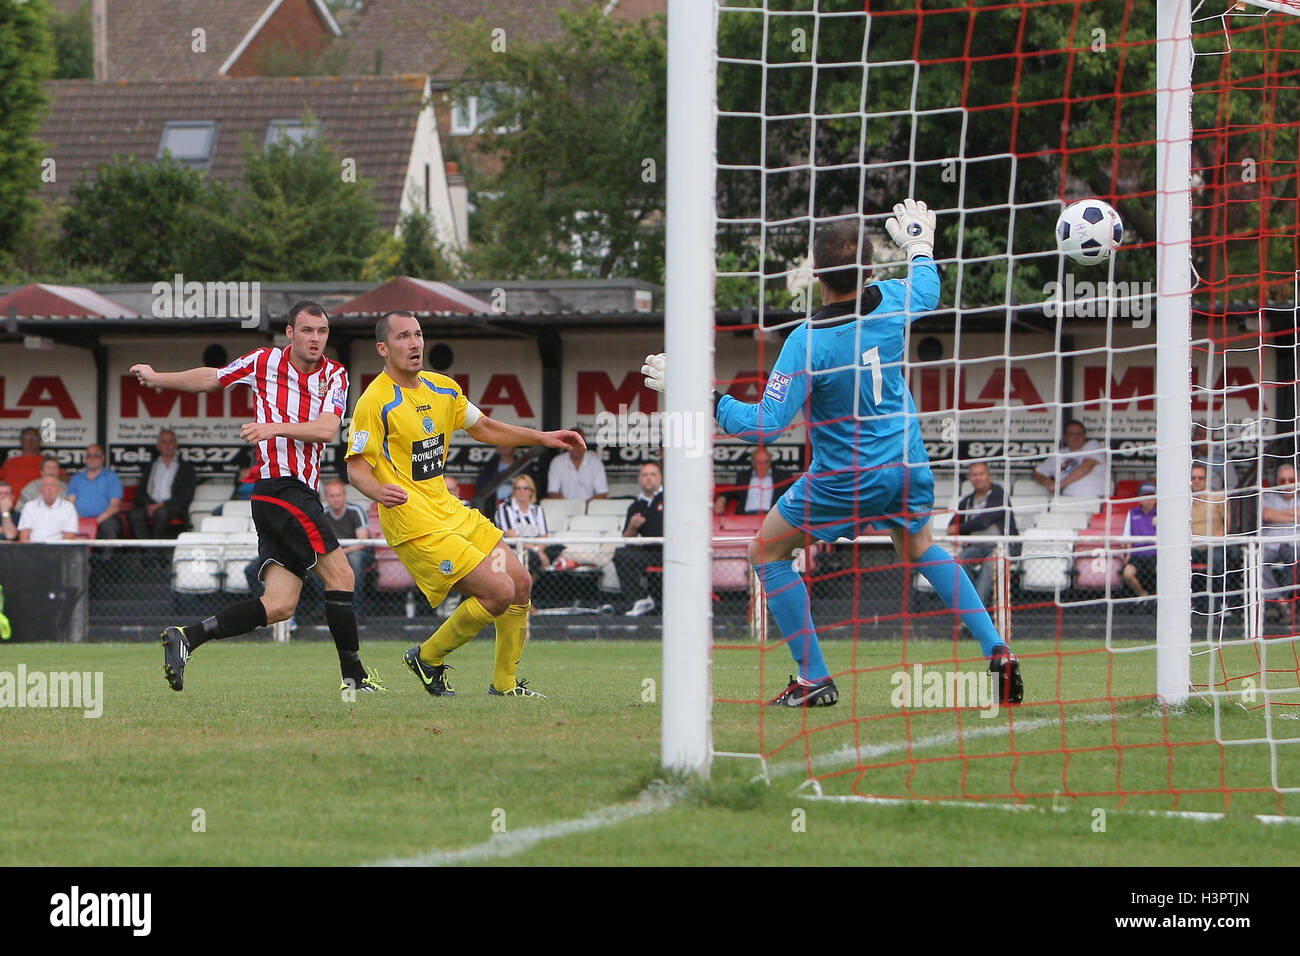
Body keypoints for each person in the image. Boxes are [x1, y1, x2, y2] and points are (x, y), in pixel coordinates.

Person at [644, 201, 1022, 707]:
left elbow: (765, 426)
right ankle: (996, 648)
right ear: (868, 268)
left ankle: (813, 676)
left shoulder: (806, 341)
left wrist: (700, 393)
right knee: (920, 548)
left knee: (766, 553)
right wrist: (919, 244)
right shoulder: (891, 300)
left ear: (815, 271)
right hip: (907, 466)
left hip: (844, 478)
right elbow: (928, 288)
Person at [130, 300, 382, 694]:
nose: (315, 339)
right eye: (307, 331)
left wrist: (273, 427)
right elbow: (212, 378)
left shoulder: (335, 374)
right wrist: (159, 377)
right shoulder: (264, 361)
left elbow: (326, 430)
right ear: (290, 333)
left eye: (322, 331)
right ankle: (356, 679)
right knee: (342, 575)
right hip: (280, 489)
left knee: (280, 604)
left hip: (294, 495)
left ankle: (187, 638)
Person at [346, 310, 585, 699]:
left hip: (449, 510)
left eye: (418, 334)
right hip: (414, 523)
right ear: (383, 348)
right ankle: (427, 657)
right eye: (403, 336)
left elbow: (485, 427)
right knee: (498, 592)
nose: (415, 343)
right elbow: (356, 469)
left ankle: (504, 686)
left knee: (520, 583)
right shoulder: (374, 402)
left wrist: (543, 437)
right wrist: (377, 491)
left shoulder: (442, 389)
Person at [950, 461, 1018, 607]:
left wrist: (959, 527)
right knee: (958, 563)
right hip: (977, 546)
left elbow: (983, 521)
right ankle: (977, 604)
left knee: (989, 566)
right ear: (970, 478)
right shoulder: (967, 501)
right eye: (974, 475)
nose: (978, 478)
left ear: (988, 476)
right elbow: (952, 525)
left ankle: (975, 612)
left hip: (1001, 545)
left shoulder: (999, 495)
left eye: (981, 474)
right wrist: (957, 527)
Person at [615, 461, 665, 616]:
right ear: (639, 479)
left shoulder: (672, 498)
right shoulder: (636, 505)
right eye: (645, 475)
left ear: (660, 478)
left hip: (671, 550)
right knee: (621, 555)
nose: (649, 478)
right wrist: (633, 526)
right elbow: (627, 540)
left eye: (653, 474)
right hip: (648, 552)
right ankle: (641, 600)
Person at [127, 429, 196, 538]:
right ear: (158, 446)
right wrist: (148, 505)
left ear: (176, 445)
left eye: (170, 441)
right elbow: (139, 494)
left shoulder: (185, 468)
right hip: (151, 504)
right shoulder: (150, 467)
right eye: (163, 442)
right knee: (135, 515)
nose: (167, 445)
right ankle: (148, 549)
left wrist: (161, 505)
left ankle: (156, 550)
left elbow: (187, 497)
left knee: (161, 513)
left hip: (173, 507)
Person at [321, 478, 373, 615]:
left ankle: (356, 607)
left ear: (344, 495)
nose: (336, 499)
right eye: (332, 496)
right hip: (333, 554)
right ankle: (325, 607)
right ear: (326, 497)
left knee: (355, 559)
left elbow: (363, 541)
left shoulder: (355, 511)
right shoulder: (323, 515)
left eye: (338, 495)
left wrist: (342, 552)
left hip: (356, 553)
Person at [1258, 462, 1300, 620]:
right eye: (1283, 480)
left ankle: (1283, 603)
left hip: (1294, 543)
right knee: (1258, 561)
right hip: (1271, 543)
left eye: (1291, 479)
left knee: (1295, 559)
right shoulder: (1268, 497)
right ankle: (1282, 602)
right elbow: (1267, 515)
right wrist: (1294, 514)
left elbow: (1273, 515)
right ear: (1277, 482)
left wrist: (1280, 514)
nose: (1288, 484)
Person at [494, 474, 552, 582]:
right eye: (518, 488)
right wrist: (537, 551)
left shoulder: (536, 509)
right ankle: (526, 591)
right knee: (533, 558)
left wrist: (540, 550)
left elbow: (544, 534)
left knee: (557, 550)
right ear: (514, 491)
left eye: (525, 488)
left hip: (536, 548)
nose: (522, 491)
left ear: (531, 491)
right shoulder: (505, 508)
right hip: (515, 548)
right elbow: (512, 536)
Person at [1032, 420, 1109, 499]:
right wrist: (1049, 483)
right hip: (1067, 499)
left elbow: (1085, 468)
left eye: (1080, 434)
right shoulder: (1058, 455)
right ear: (1065, 436)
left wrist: (1059, 485)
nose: (1076, 437)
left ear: (1084, 435)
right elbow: (1036, 473)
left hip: (1096, 498)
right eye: (1072, 434)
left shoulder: (1093, 445)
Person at [1191, 463, 1230, 615]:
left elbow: (1227, 526)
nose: (1196, 481)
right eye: (1193, 478)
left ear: (1206, 479)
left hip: (1214, 545)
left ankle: (1222, 602)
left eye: (1200, 478)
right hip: (1191, 546)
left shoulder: (1218, 497)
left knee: (1219, 559)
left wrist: (1218, 538)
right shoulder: (1182, 500)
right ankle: (1187, 603)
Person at [713, 445, 795, 515]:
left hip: (771, 518)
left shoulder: (782, 476)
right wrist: (722, 499)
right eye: (758, 462)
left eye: (765, 462)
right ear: (752, 462)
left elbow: (794, 493)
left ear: (770, 462)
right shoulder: (744, 476)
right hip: (745, 518)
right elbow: (731, 491)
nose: (762, 466)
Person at [66, 445, 124, 539]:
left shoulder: (111, 477)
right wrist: (78, 519)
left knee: (110, 527)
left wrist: (95, 522)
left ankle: (107, 555)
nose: (91, 458)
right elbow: (70, 502)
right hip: (79, 518)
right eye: (89, 456)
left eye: (95, 455)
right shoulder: (77, 478)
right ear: (85, 459)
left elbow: (115, 506)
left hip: (105, 519)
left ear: (102, 458)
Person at [545, 425, 607, 502]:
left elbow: (602, 493)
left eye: (580, 442)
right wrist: (569, 506)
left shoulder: (595, 463)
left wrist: (584, 507)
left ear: (585, 444)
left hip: (590, 510)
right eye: (573, 442)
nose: (576, 446)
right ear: (566, 444)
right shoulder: (557, 462)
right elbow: (552, 492)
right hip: (564, 509)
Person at [1120, 481, 1158, 605]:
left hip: (1155, 555)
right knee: (1128, 574)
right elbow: (1128, 536)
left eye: (1152, 497)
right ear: (1140, 498)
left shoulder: (1162, 514)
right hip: (1137, 555)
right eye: (1146, 497)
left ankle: (1159, 597)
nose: (1149, 501)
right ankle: (1143, 595)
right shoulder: (1132, 513)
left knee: (1163, 572)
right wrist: (1128, 556)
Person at [475, 445, 538, 515]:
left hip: (518, 504)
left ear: (514, 447)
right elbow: (481, 486)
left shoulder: (523, 466)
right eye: (500, 443)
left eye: (507, 443)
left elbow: (531, 486)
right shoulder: (490, 465)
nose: (504, 445)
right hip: (493, 507)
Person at [17, 475, 79, 542]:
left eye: (52, 485)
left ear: (58, 489)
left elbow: (69, 537)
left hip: (58, 549)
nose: (49, 488)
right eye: (46, 485)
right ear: (40, 489)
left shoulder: (68, 507)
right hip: (33, 548)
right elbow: (24, 536)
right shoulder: (29, 506)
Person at [1192, 421, 1238, 493]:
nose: (1204, 439)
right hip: (1189, 498)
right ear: (1194, 438)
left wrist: (1217, 497)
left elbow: (1232, 484)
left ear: (1212, 438)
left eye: (1207, 435)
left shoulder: (1222, 457)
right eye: (1200, 435)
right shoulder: (1187, 456)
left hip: (1213, 499)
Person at [0, 426, 47, 494]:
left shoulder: (45, 461)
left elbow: (63, 478)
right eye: (27, 437)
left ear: (39, 442)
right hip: (9, 502)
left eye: (34, 437)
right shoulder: (10, 462)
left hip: (34, 502)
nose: (30, 440)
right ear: (21, 441)